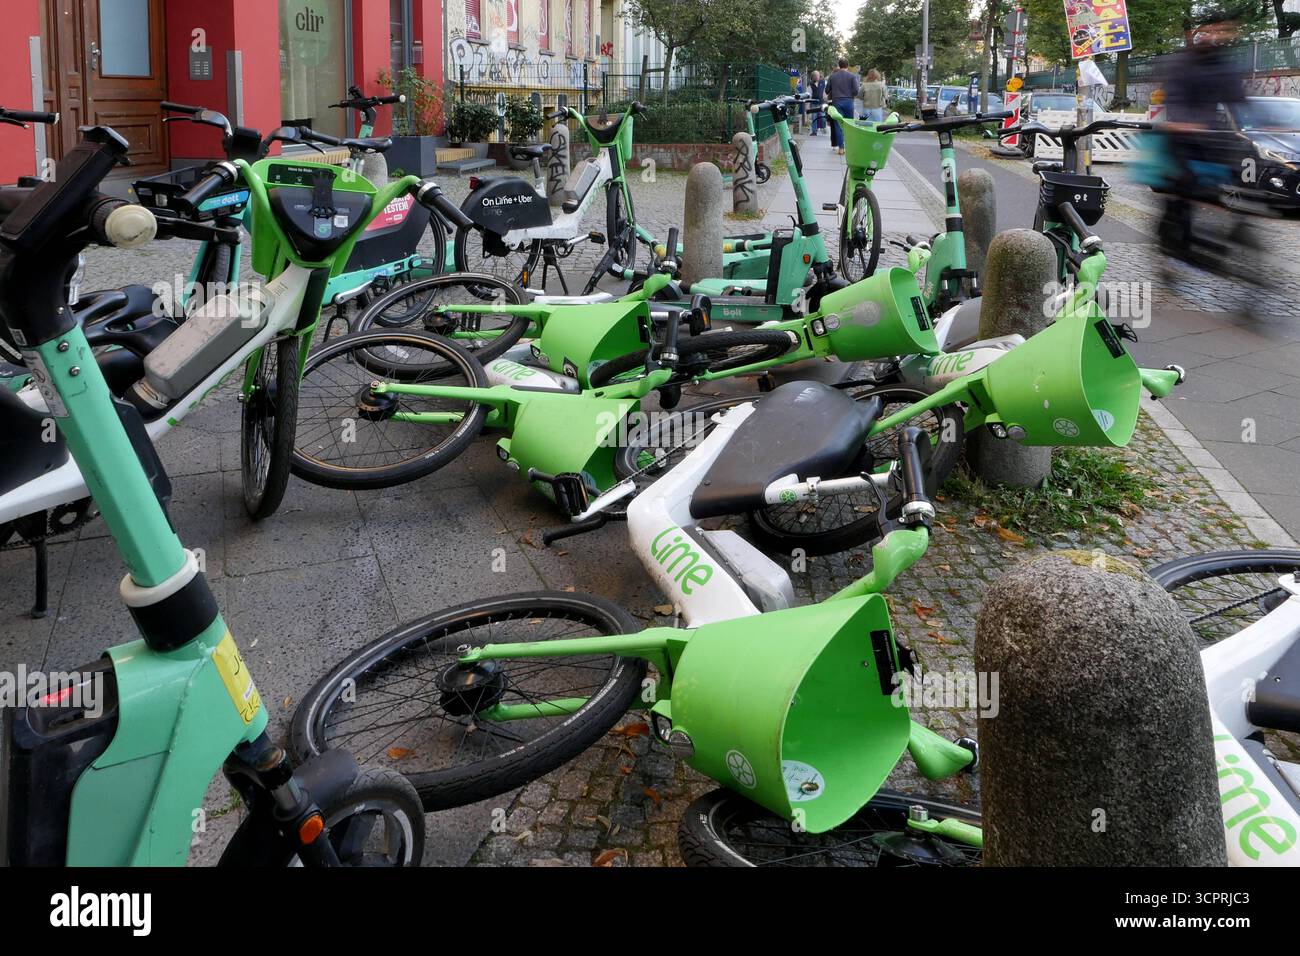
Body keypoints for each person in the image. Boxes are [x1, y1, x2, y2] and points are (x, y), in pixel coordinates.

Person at [1155, 8, 1249, 257]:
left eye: (1222, 30)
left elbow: (1237, 100)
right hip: (1181, 136)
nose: (1215, 36)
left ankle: (1235, 228)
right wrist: (1183, 123)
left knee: (1239, 173)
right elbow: (1173, 101)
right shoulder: (1181, 63)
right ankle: (1174, 238)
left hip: (1212, 136)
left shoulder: (1225, 64)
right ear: (1196, 33)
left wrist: (1252, 126)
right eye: (1209, 30)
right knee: (1185, 184)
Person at [826, 58, 860, 154]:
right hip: (849, 101)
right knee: (849, 124)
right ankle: (849, 146)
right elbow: (856, 91)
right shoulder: (852, 76)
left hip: (837, 102)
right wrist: (850, 94)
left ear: (839, 65)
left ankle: (841, 148)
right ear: (847, 65)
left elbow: (827, 90)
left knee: (838, 125)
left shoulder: (833, 77)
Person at [808, 70, 827, 135]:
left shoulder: (823, 82)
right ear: (812, 77)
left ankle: (824, 127)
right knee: (814, 117)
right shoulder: (810, 84)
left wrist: (827, 101)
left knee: (823, 117)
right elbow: (809, 95)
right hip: (814, 103)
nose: (817, 77)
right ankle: (814, 131)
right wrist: (807, 106)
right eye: (815, 76)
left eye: (818, 75)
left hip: (822, 103)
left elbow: (825, 92)